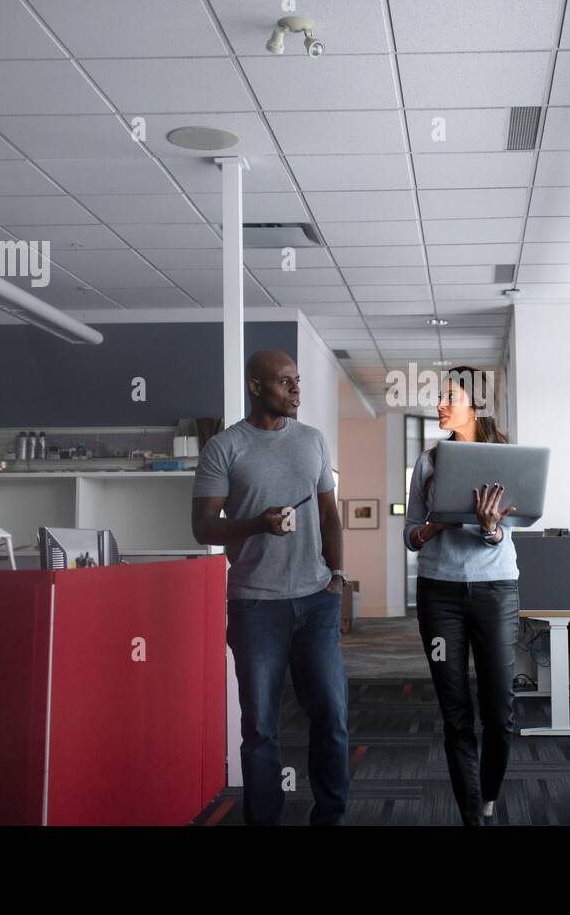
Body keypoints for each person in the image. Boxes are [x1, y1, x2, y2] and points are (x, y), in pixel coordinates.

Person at [191, 350, 349, 825]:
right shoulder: (225, 447)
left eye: (298, 381)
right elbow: (202, 527)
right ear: (257, 387)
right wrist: (257, 524)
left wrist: (337, 579)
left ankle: (331, 819)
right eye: (285, 382)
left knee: (332, 719)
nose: (296, 390)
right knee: (260, 728)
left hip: (316, 601)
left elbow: (328, 516)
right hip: (255, 606)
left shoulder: (313, 441)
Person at [404, 366, 520, 826]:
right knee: (455, 712)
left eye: (450, 397)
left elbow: (511, 526)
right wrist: (434, 526)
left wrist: (490, 528)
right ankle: (471, 812)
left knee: (499, 710)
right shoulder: (429, 461)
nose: (440, 405)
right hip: (439, 593)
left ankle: (488, 793)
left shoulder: (506, 455)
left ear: (477, 404)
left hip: (495, 590)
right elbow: (410, 533)